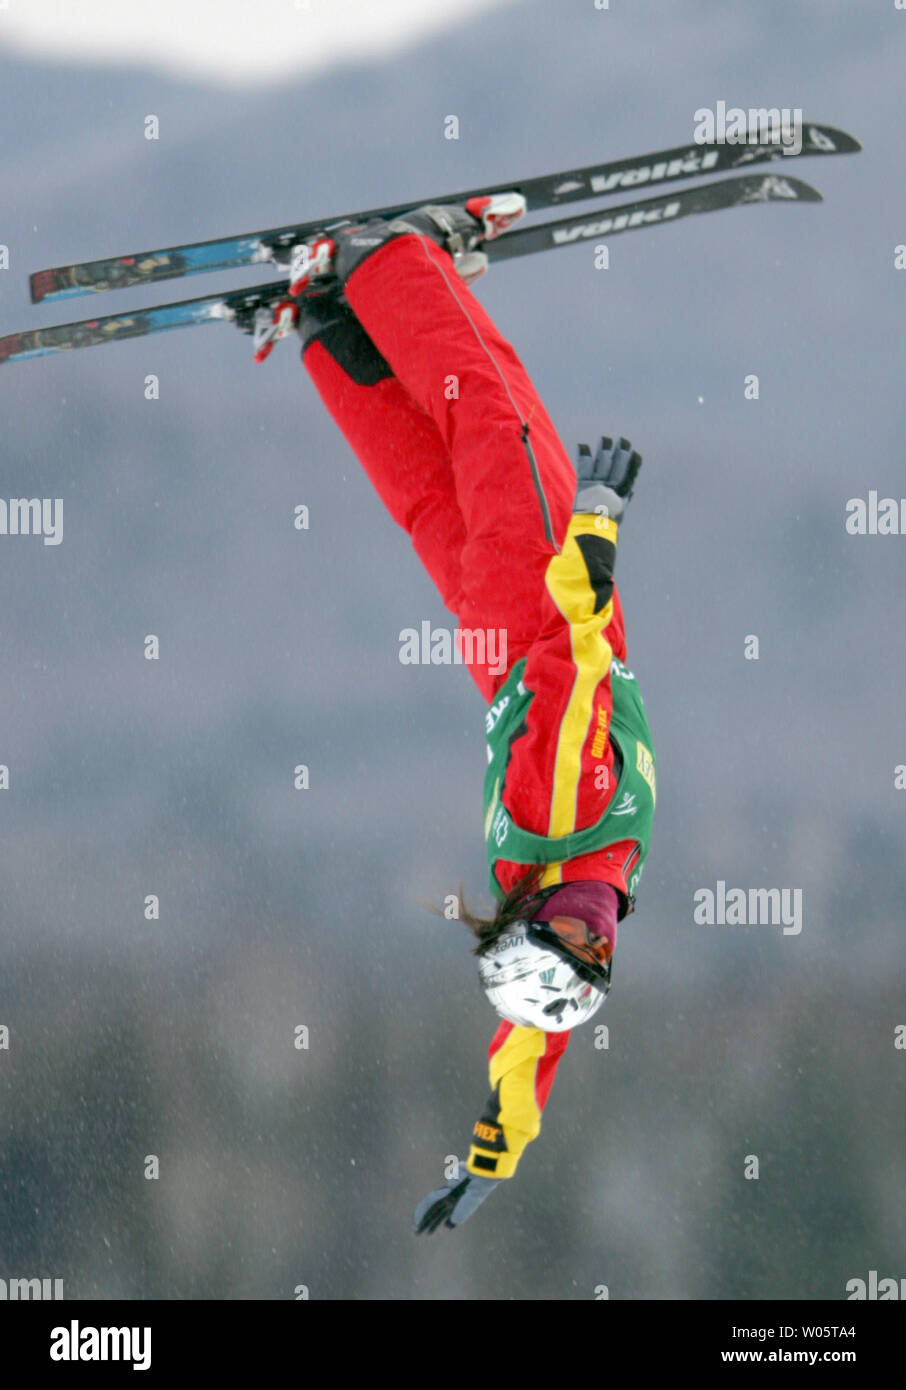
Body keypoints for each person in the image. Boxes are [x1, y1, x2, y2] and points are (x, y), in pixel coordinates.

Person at [254, 196, 657, 1233]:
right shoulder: (543, 902)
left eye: (571, 935)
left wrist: (596, 533)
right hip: (491, 640)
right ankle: (332, 333)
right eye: (596, 954)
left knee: (489, 411)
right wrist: (492, 1157)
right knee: (430, 491)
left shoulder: (572, 820)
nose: (593, 934)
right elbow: (530, 1044)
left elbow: (578, 663)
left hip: (540, 599)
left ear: (534, 918)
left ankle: (388, 263)